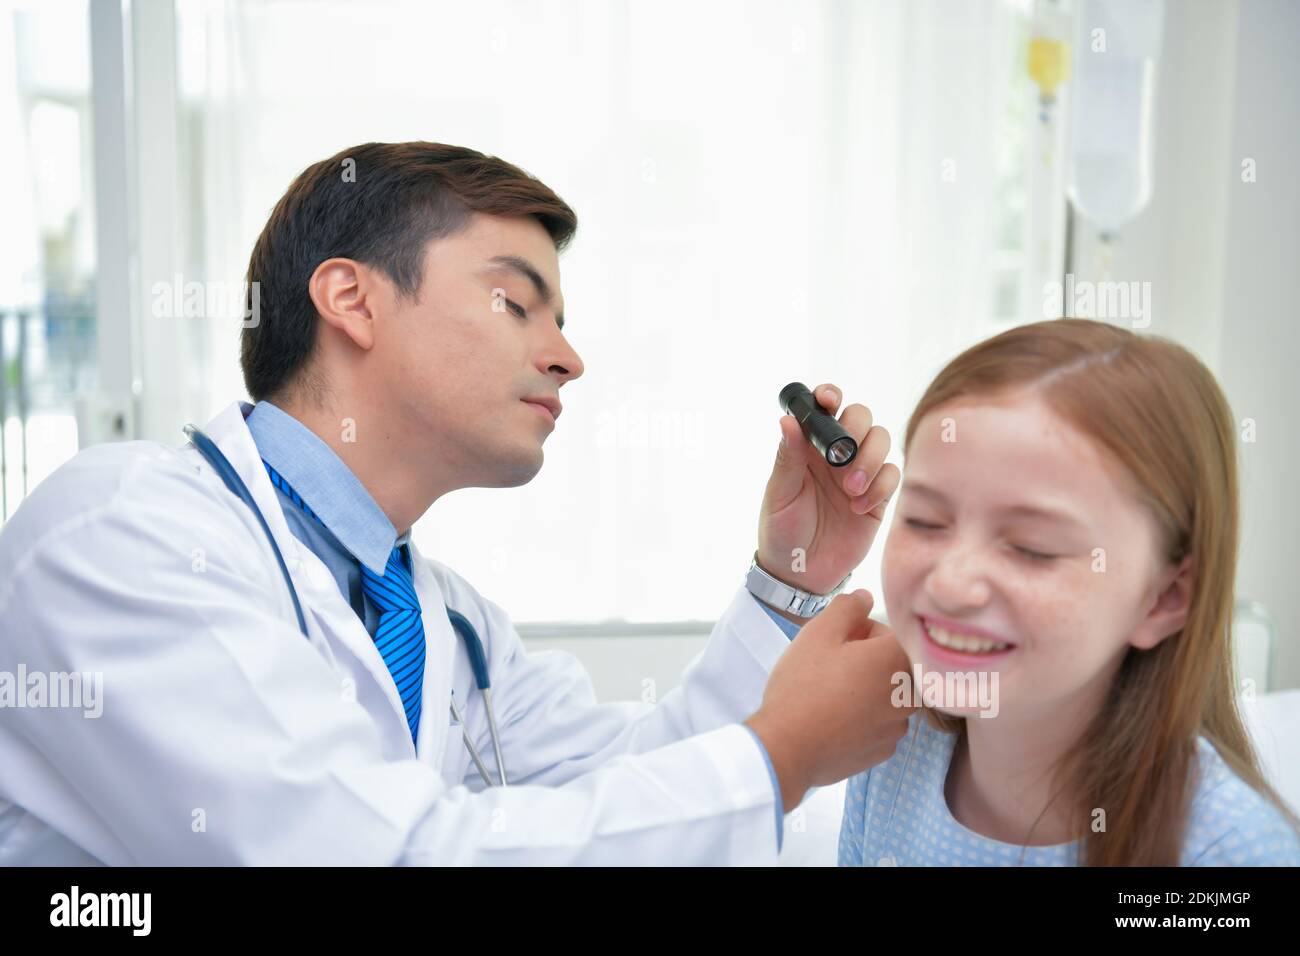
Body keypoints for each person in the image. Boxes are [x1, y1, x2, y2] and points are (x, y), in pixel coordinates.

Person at [0, 141, 910, 865]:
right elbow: (372, 856)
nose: (567, 358)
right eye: (517, 302)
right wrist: (777, 760)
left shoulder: (448, 624)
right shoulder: (125, 533)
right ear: (351, 298)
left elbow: (629, 793)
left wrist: (790, 578)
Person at [838, 318, 1300, 866]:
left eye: (1032, 548)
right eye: (925, 521)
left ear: (1165, 599)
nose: (951, 583)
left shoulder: (1229, 853)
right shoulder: (890, 749)